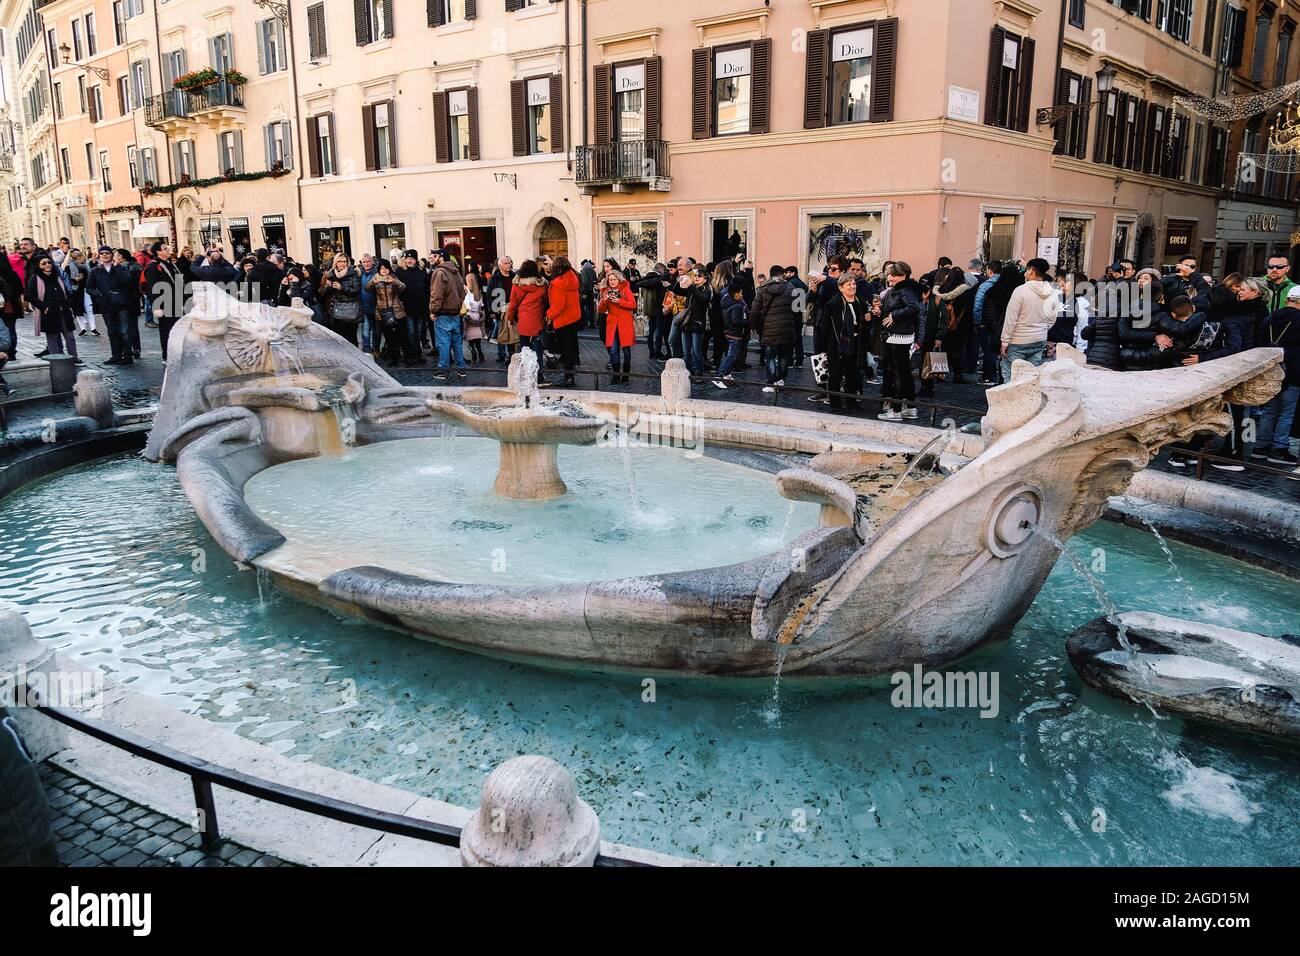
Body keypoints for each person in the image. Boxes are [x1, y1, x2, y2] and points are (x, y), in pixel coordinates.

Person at [1252, 285, 1300, 470]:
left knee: (1270, 411)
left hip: (1270, 371)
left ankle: (1261, 446)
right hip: (1293, 372)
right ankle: (1279, 448)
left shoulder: (1270, 318)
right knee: (1286, 412)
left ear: (1288, 299)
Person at [874, 261, 922, 420]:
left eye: (894, 275)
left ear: (904, 275)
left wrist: (894, 315)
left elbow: (913, 308)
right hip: (900, 336)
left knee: (898, 374)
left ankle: (896, 410)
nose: (890, 278)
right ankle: (910, 407)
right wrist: (882, 310)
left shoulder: (905, 289)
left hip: (898, 337)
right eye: (889, 274)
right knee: (905, 373)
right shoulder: (902, 289)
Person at [999, 258, 1057, 380]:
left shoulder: (1020, 291)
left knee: (1011, 376)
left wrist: (1005, 341)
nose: (1025, 272)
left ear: (1032, 270)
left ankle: (1011, 399)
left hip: (1018, 339)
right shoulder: (1052, 293)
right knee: (1031, 377)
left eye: (1027, 269)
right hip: (1039, 339)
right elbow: (1052, 318)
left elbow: (1011, 319)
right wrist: (1042, 329)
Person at [818, 273, 869, 409]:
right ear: (841, 288)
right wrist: (824, 347)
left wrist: (868, 318)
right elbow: (824, 327)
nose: (853, 287)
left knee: (853, 374)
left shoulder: (860, 301)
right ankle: (835, 403)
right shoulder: (833, 304)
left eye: (854, 284)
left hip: (856, 343)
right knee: (836, 374)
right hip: (837, 344)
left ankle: (851, 402)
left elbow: (863, 321)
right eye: (849, 284)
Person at [750, 263, 801, 393]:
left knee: (770, 357)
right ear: (781, 274)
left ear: (770, 274)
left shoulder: (762, 289)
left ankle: (772, 382)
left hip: (769, 329)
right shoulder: (790, 287)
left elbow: (754, 311)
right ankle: (781, 381)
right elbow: (798, 309)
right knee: (784, 356)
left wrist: (754, 326)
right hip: (787, 328)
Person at [27, 255, 80, 364]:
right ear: (38, 265)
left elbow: (65, 290)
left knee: (70, 336)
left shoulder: (57, 276)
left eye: (49, 262)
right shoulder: (35, 278)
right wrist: (44, 307)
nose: (47, 265)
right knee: (53, 338)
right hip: (49, 312)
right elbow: (30, 296)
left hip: (63, 310)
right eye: (43, 263)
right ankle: (57, 361)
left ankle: (74, 358)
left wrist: (68, 304)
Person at [429, 247, 468, 381]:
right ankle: (461, 369)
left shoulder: (439, 272)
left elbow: (436, 294)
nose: (431, 259)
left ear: (441, 257)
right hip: (455, 312)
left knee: (444, 342)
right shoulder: (456, 272)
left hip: (443, 312)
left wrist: (433, 310)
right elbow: (463, 292)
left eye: (434, 257)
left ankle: (443, 369)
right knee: (456, 342)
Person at [143, 242, 183, 361]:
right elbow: (152, 289)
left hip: (176, 302)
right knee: (166, 331)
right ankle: (167, 356)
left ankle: (176, 354)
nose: (168, 250)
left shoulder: (171, 264)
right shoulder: (153, 267)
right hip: (164, 303)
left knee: (177, 330)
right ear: (158, 252)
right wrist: (157, 307)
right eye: (165, 249)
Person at [545, 256, 581, 388]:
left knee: (566, 350)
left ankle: (568, 377)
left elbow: (558, 305)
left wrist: (549, 315)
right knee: (571, 348)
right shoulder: (572, 278)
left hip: (563, 319)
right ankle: (570, 374)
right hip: (573, 318)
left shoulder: (558, 283)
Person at [598, 268, 637, 385]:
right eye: (610, 280)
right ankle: (616, 375)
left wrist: (620, 301)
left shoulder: (625, 289)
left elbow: (633, 304)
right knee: (613, 349)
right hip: (612, 323)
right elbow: (601, 310)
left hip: (625, 322)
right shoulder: (605, 291)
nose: (612, 282)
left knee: (626, 350)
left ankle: (625, 374)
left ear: (619, 280)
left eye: (614, 279)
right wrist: (604, 301)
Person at [365, 259, 407, 365]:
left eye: (386, 268)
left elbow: (403, 287)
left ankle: (407, 357)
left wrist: (394, 281)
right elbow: (367, 289)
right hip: (382, 311)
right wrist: (373, 282)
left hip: (396, 310)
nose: (384, 270)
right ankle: (393, 358)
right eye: (382, 268)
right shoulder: (376, 278)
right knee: (388, 337)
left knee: (402, 336)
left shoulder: (394, 277)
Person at [319, 253, 363, 345]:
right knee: (340, 339)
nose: (342, 264)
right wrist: (328, 286)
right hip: (336, 310)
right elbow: (323, 293)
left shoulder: (354, 273)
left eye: (345, 261)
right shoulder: (331, 274)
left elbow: (356, 290)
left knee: (351, 338)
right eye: (340, 261)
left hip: (351, 310)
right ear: (336, 262)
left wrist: (341, 288)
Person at [711, 282, 749, 388]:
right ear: (736, 295)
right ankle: (719, 376)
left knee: (731, 355)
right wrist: (747, 321)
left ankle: (727, 375)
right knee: (732, 356)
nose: (742, 295)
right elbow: (736, 321)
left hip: (728, 332)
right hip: (734, 334)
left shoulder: (726, 302)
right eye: (741, 293)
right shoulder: (736, 306)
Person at [395, 250, 430, 366]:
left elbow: (426, 288)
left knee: (419, 333)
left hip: (420, 307)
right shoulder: (400, 271)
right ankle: (412, 355)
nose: (409, 261)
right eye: (407, 258)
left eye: (411, 259)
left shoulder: (422, 271)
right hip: (407, 307)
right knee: (410, 332)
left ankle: (418, 354)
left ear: (416, 260)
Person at [632, 263, 670, 359]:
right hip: (658, 308)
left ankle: (651, 352)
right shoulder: (658, 279)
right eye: (663, 270)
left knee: (650, 331)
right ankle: (657, 352)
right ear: (660, 269)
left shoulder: (646, 278)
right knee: (659, 332)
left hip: (648, 309)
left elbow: (638, 284)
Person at [486, 257, 516, 363]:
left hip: (512, 309)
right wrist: (492, 311)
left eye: (510, 263)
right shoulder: (495, 278)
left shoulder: (515, 276)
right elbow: (489, 295)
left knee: (512, 332)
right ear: (500, 265)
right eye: (506, 263)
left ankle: (511, 354)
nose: (509, 265)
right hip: (500, 309)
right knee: (501, 332)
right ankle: (501, 354)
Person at [356, 253, 380, 356]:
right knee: (365, 329)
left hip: (376, 306)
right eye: (364, 262)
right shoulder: (358, 273)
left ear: (372, 261)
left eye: (368, 261)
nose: (366, 264)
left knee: (377, 331)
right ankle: (366, 349)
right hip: (363, 305)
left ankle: (376, 349)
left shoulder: (377, 272)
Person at [463, 270, 487, 365]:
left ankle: (473, 351)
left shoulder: (468, 293)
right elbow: (481, 305)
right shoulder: (479, 293)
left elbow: (467, 305)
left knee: (470, 338)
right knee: (477, 338)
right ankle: (480, 352)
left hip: (469, 316)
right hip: (477, 315)